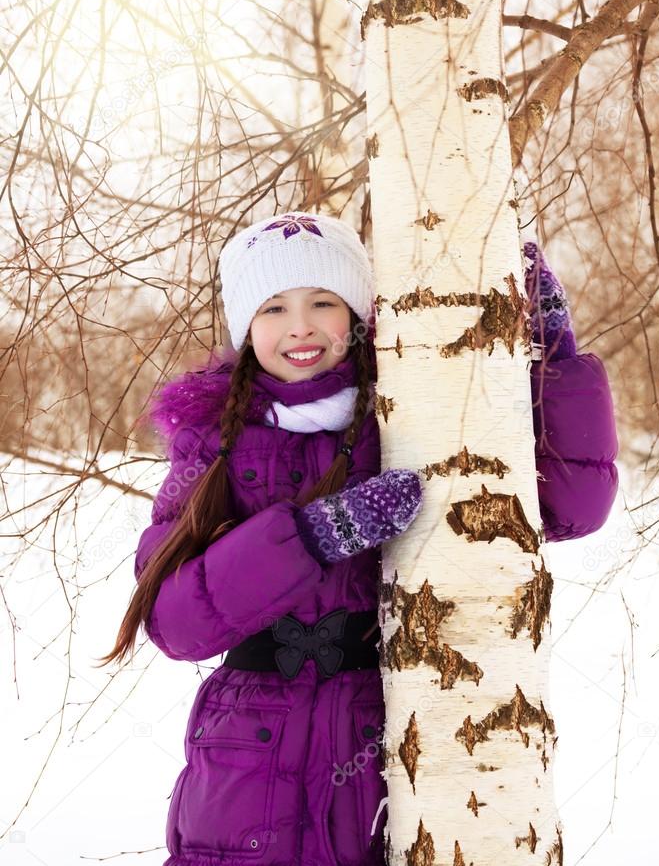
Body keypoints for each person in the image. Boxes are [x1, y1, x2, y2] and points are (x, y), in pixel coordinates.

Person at [101, 211, 619, 866]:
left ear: (358, 314)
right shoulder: (214, 442)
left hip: (382, 749)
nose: (300, 325)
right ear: (245, 324)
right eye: (274, 307)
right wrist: (315, 536)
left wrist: (552, 352)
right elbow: (176, 618)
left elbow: (571, 504)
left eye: (324, 301)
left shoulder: (408, 413)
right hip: (241, 773)